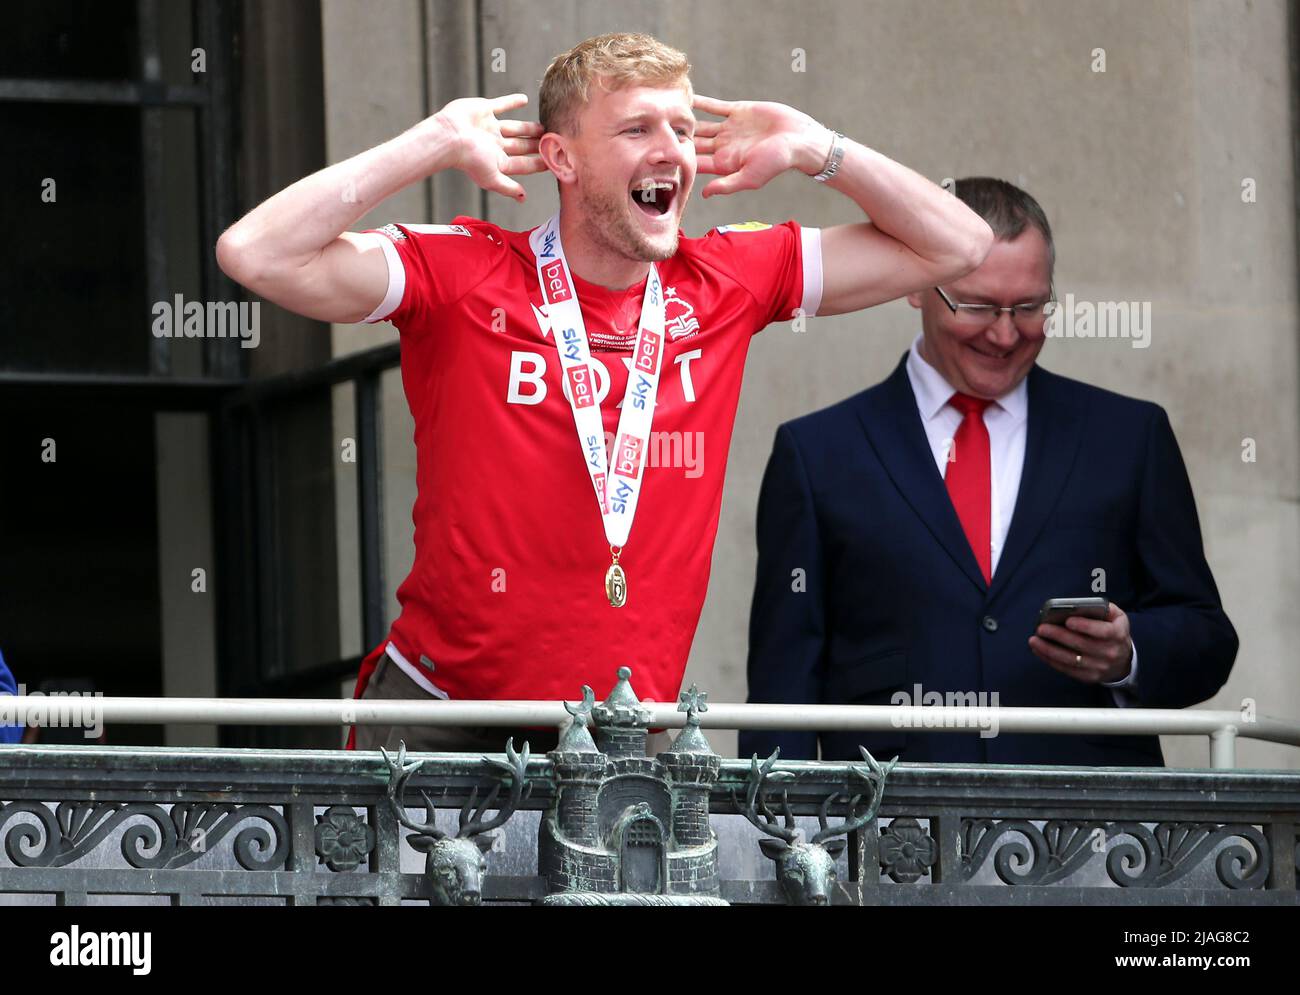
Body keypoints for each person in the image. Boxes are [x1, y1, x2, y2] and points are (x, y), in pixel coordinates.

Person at [216, 33, 993, 753]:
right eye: (636, 131)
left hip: (631, 732)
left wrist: (819, 148)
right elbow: (255, 253)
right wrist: (433, 144)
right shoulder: (463, 273)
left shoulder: (727, 277)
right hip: (442, 717)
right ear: (561, 157)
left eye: (683, 130)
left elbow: (960, 245)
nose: (672, 151)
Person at [740, 177, 1238, 767]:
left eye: (1027, 307)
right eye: (977, 306)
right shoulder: (817, 453)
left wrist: (1131, 652)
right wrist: (782, 842)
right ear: (915, 285)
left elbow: (1207, 635)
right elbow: (782, 690)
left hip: (1093, 830)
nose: (1005, 334)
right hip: (890, 829)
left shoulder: (1129, 437)